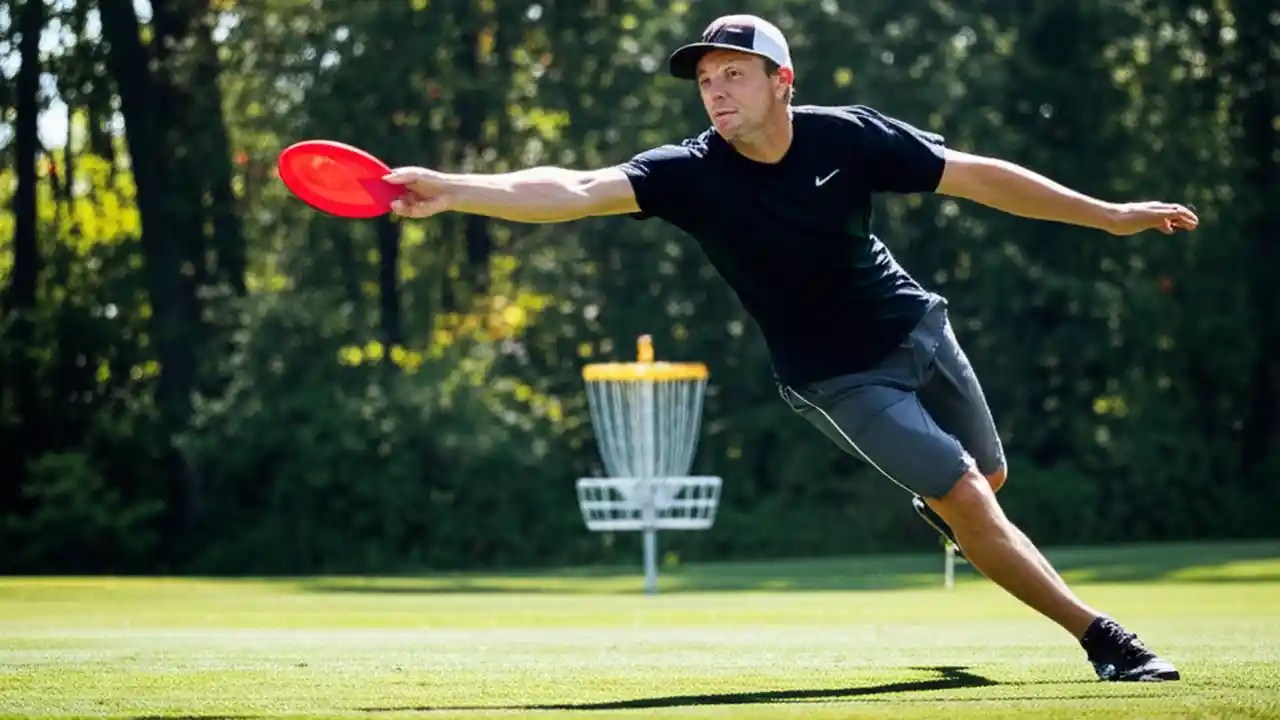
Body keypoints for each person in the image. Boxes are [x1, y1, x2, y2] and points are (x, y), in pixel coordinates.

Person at [383, 14, 1196, 682]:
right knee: (972, 500)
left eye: (733, 72)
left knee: (988, 479)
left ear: (782, 81)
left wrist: (1112, 213)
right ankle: (1106, 642)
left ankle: (945, 507)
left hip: (918, 326)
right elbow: (577, 187)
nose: (714, 90)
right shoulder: (689, 173)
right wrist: (455, 190)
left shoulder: (847, 138)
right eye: (705, 79)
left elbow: (980, 176)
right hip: (837, 378)